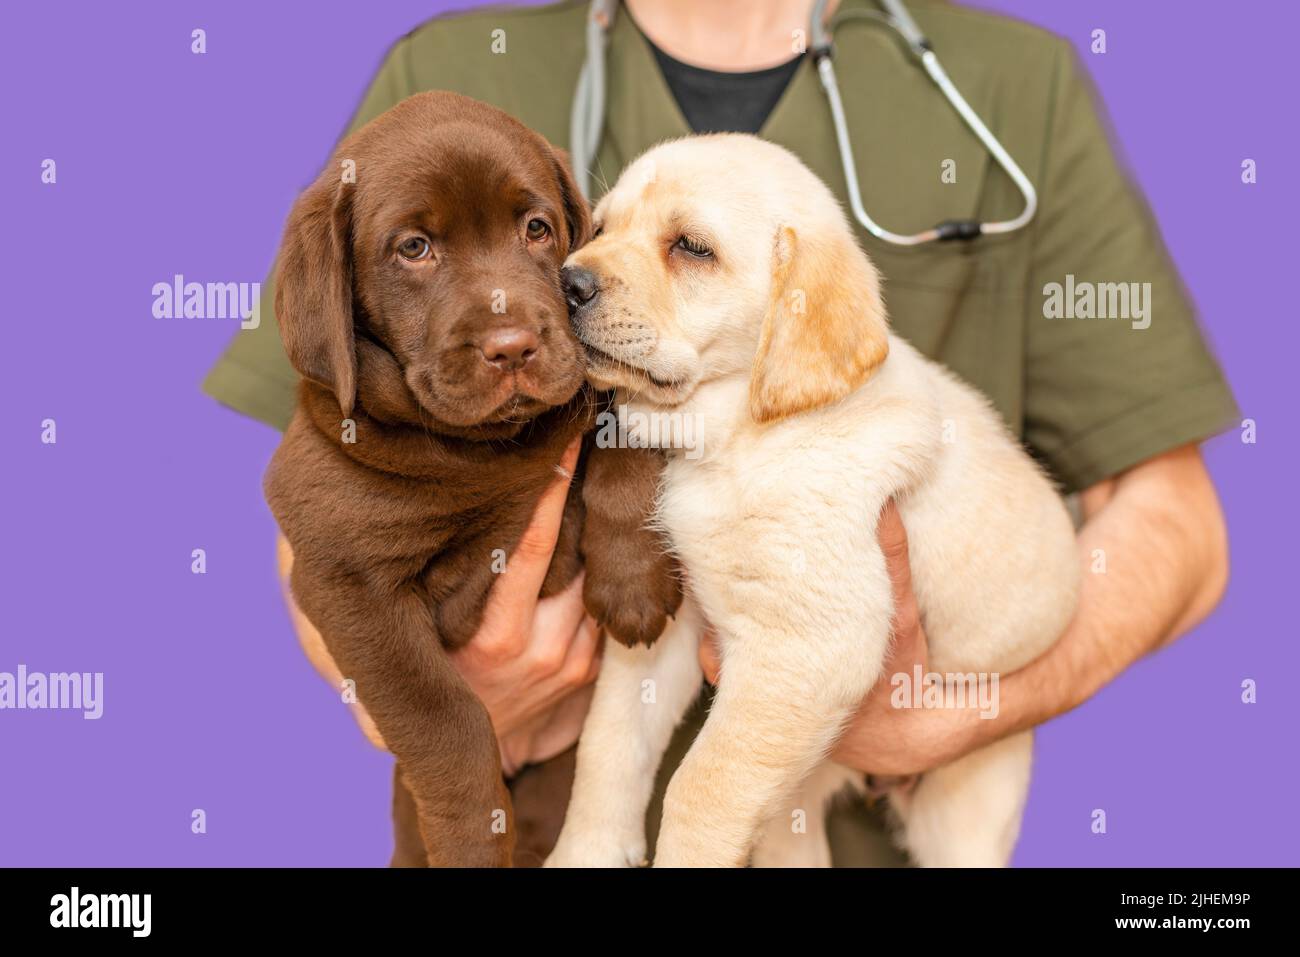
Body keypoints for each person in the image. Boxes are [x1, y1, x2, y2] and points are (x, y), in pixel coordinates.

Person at [203, 0, 1235, 866]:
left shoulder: (1017, 85)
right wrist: (448, 707)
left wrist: (971, 702)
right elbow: (331, 486)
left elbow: (1176, 520)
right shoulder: (451, 65)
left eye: (689, 250)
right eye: (594, 232)